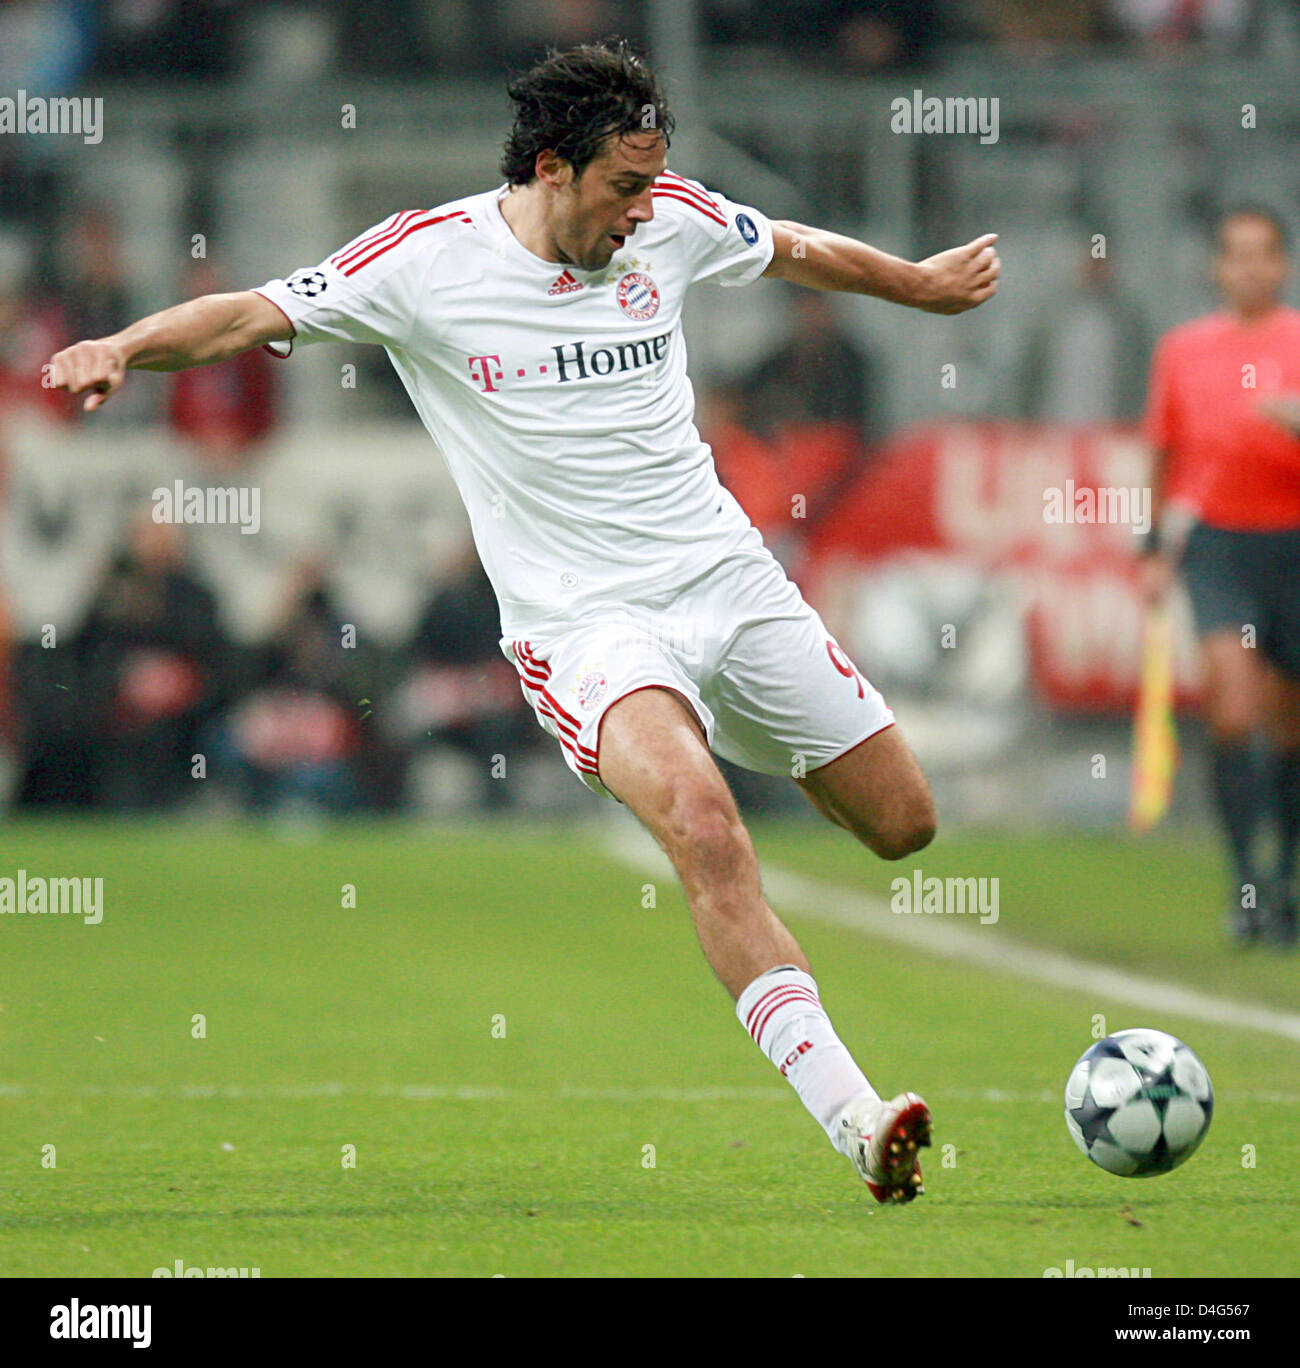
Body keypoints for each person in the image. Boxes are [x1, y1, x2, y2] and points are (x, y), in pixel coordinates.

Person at [47, 41, 999, 1203]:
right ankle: (857, 1117)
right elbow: (248, 314)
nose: (645, 211)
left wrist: (919, 282)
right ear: (552, 168)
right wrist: (124, 347)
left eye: (655, 183)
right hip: (587, 626)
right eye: (622, 188)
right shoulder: (426, 262)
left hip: (726, 582)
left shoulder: (671, 220)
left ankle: (747, 731)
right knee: (703, 827)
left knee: (904, 828)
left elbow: (792, 249)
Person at [1142, 205, 1300, 948]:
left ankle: (1287, 881)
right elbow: (1163, 451)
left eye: (1263, 254)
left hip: (1293, 544)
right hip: (1218, 547)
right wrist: (1151, 549)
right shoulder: (1183, 350)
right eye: (1236, 254)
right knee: (1233, 711)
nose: (1250, 268)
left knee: (1290, 722)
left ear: (1283, 264)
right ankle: (1248, 884)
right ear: (1217, 266)